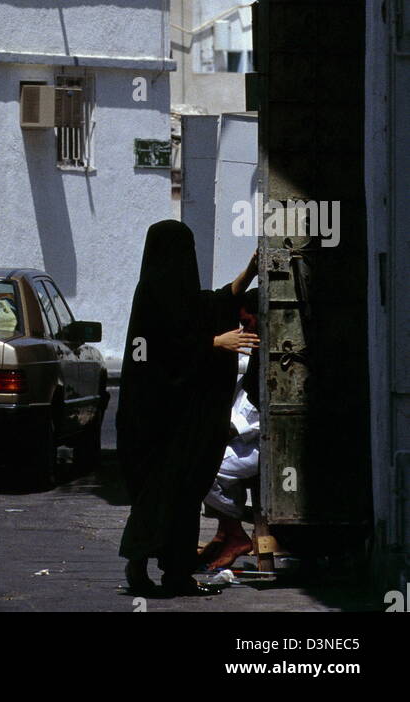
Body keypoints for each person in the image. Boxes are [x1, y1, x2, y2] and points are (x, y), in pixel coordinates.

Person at [116, 219, 259, 598]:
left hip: (180, 422)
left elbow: (214, 303)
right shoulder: (151, 295)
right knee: (159, 494)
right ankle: (139, 563)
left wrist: (250, 271)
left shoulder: (180, 297)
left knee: (183, 495)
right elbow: (159, 353)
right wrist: (213, 343)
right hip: (154, 423)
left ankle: (177, 573)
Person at [199, 291, 261, 569]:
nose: (243, 330)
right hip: (244, 438)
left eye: (247, 323)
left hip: (257, 443)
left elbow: (244, 423)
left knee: (203, 468)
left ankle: (236, 533)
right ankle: (226, 532)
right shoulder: (253, 355)